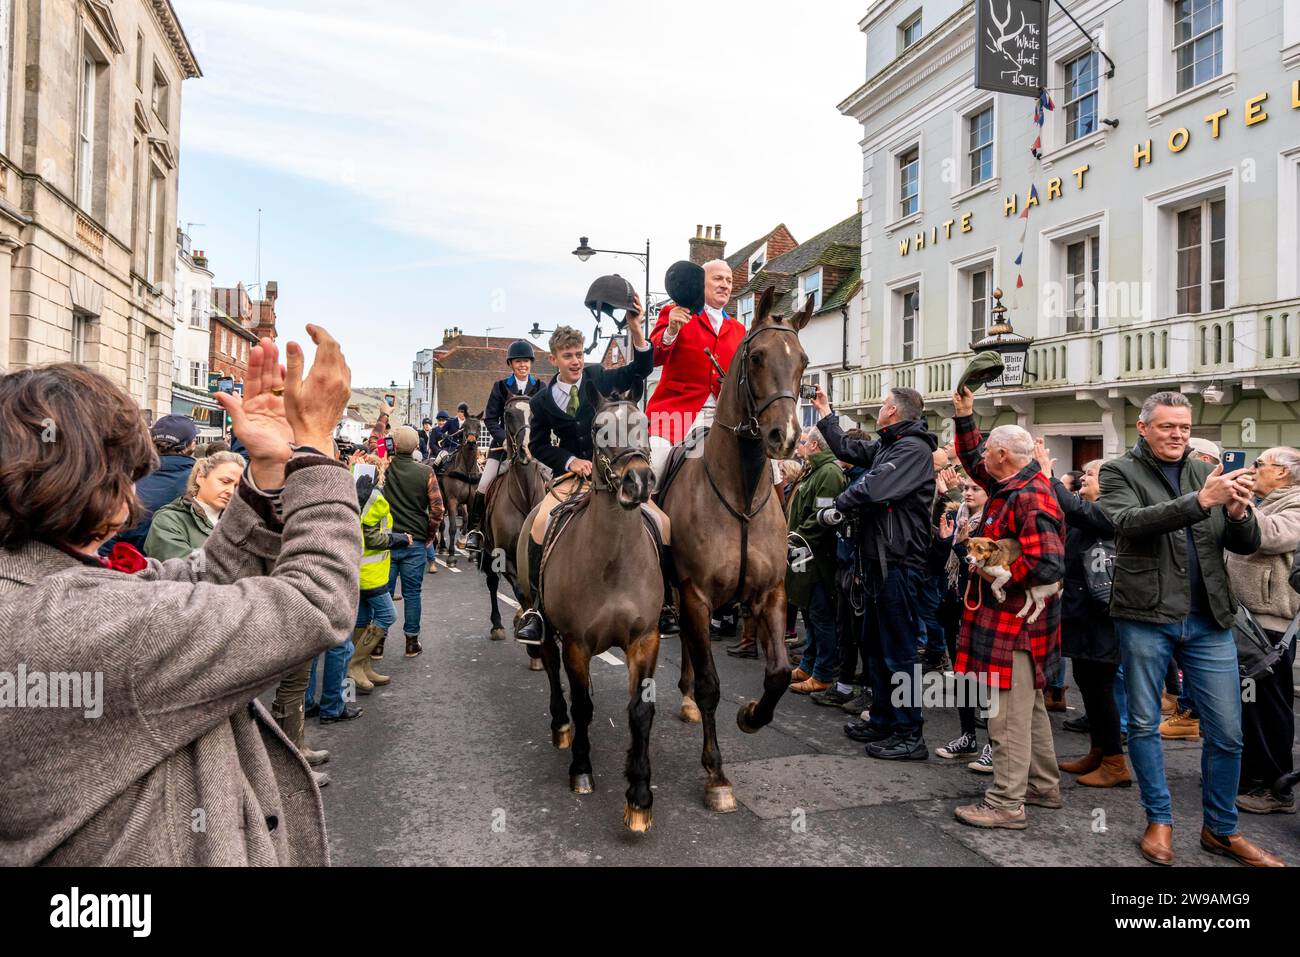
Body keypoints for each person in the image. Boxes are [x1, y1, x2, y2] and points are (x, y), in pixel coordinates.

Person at [0, 327, 358, 864]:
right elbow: (313, 603)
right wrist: (318, 454)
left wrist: (268, 469)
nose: (133, 488)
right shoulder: (78, 622)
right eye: (123, 469)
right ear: (88, 479)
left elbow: (202, 582)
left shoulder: (39, 587)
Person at [1099, 390, 1281, 867]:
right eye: (1166, 426)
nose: (1177, 434)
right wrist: (1202, 501)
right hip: (1146, 615)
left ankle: (1221, 829)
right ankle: (1159, 819)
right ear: (1144, 428)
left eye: (1183, 426)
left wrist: (1239, 514)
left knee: (1227, 732)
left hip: (1209, 619)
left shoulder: (1206, 470)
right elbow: (1128, 523)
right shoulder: (1120, 471)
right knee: (1143, 724)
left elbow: (1243, 542)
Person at [950, 387, 1065, 830]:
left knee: (1006, 718)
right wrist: (965, 416)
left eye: (989, 453)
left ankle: (1005, 803)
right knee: (1028, 709)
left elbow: (1047, 563)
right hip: (1019, 625)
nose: (982, 462)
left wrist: (994, 573)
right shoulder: (1012, 481)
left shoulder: (1029, 496)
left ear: (1002, 454)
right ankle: (1040, 784)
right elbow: (971, 460)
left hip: (1016, 625)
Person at [514, 296, 656, 645]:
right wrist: (569, 461)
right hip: (570, 478)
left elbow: (639, 371)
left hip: (611, 475)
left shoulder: (598, 377)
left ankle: (664, 605)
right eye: (568, 356)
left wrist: (636, 330)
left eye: (578, 354)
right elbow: (538, 446)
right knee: (539, 524)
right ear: (554, 360)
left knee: (661, 523)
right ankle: (536, 610)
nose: (576, 361)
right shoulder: (540, 401)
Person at [812, 384, 937, 761]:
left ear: (894, 413)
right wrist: (825, 414)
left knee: (899, 652)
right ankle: (883, 718)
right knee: (876, 647)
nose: (879, 411)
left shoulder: (913, 450)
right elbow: (849, 449)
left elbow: (874, 486)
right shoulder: (890, 445)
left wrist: (838, 505)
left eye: (883, 406)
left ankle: (909, 732)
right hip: (877, 563)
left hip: (899, 564)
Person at [1043, 449, 1132, 788]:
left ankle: (1115, 763)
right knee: (1089, 685)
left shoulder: (1110, 512)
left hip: (1102, 617)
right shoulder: (1089, 514)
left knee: (1101, 688)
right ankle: (1099, 751)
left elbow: (1075, 510)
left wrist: (1047, 476)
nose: (1083, 479)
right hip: (1082, 614)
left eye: (1091, 475)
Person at [1224, 447, 1300, 814]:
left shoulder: (1295, 504)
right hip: (1246, 620)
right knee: (1247, 704)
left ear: (1283, 472)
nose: (1251, 469)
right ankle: (1247, 775)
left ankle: (1274, 787)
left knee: (1267, 707)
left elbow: (1268, 537)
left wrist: (1241, 503)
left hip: (1270, 627)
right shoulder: (1269, 499)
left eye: (1259, 464)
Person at [645, 260, 746, 479]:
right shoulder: (674, 313)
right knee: (656, 464)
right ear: (701, 283)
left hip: (725, 418)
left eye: (729, 280)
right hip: (676, 414)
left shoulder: (739, 330)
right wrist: (671, 330)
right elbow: (653, 358)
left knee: (770, 466)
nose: (725, 285)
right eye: (718, 278)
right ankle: (647, 513)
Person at [465, 340, 543, 554]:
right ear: (511, 364)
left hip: (533, 447)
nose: (523, 365)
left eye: (526, 361)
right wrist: (503, 440)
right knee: (484, 483)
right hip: (503, 447)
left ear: (531, 364)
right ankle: (475, 531)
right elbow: (490, 418)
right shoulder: (500, 387)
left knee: (552, 482)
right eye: (518, 362)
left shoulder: (540, 387)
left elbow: (545, 417)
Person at [784, 428, 846, 694]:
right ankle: (808, 665)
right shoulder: (813, 469)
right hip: (802, 554)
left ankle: (822, 673)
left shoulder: (829, 473)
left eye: (804, 441)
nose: (801, 445)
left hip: (816, 557)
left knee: (821, 616)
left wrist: (794, 538)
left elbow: (823, 517)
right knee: (807, 612)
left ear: (814, 445)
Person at [382, 425, 446, 653]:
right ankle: (411, 642)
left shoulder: (384, 470)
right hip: (415, 541)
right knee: (412, 594)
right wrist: (429, 535)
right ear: (417, 446)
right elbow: (437, 509)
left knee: (383, 594)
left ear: (394, 446)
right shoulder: (425, 472)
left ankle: (377, 644)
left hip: (386, 540)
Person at [111, 415, 201, 551]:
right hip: (180, 566)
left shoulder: (126, 476)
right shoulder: (202, 481)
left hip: (128, 564)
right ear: (191, 444)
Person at [143, 451, 246, 560]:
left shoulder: (243, 521)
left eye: (237, 487)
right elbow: (184, 569)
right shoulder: (168, 520)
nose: (231, 491)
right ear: (201, 477)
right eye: (225, 481)